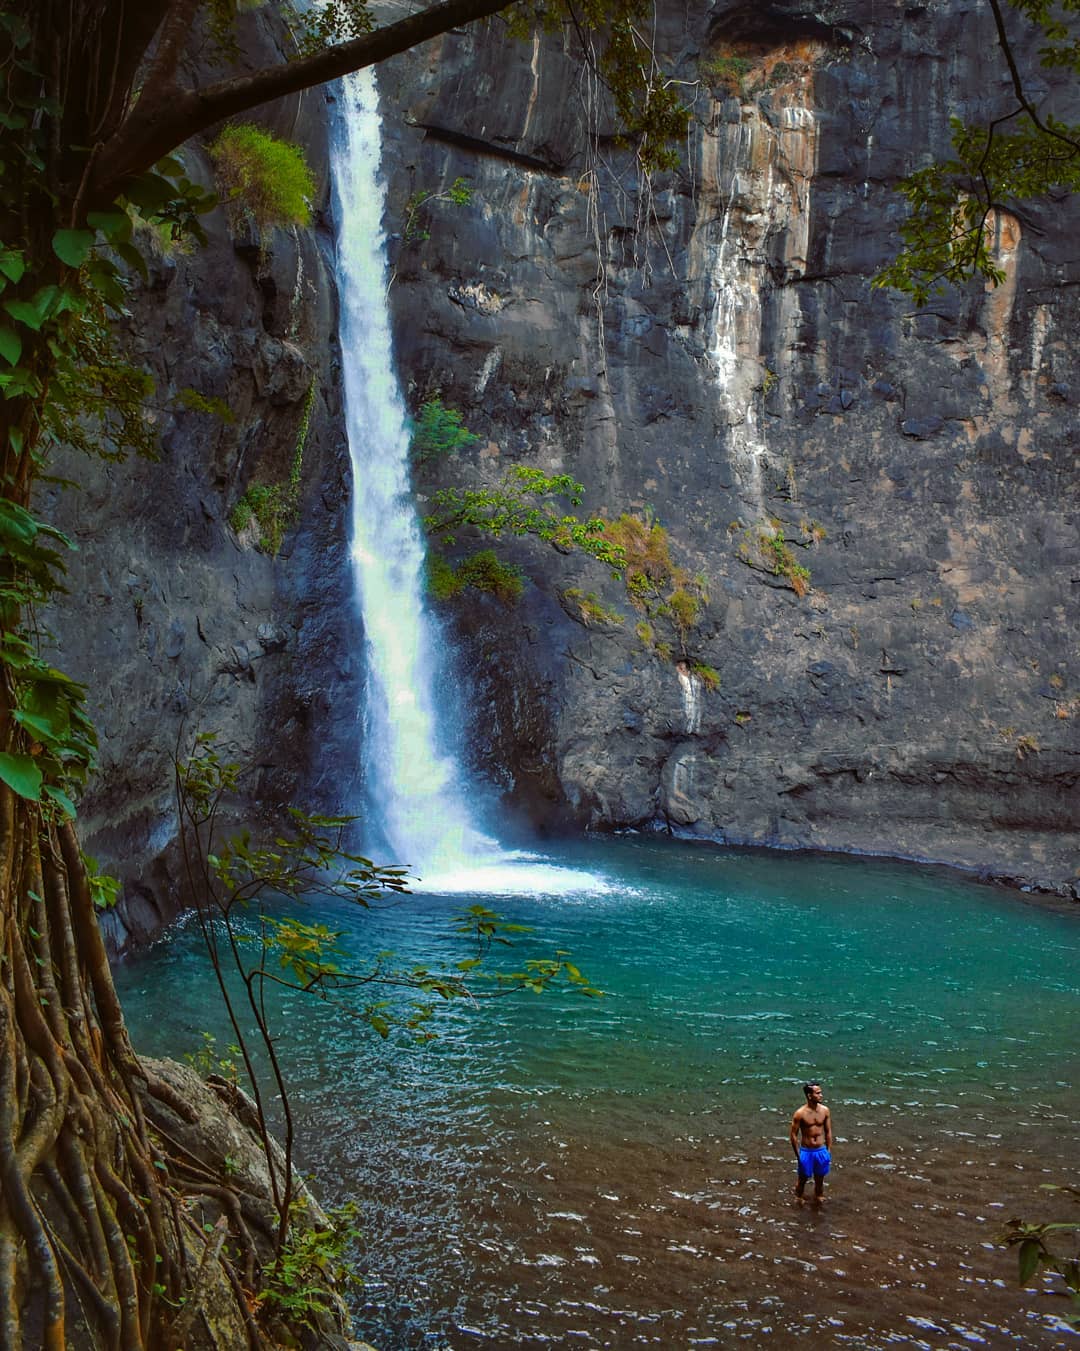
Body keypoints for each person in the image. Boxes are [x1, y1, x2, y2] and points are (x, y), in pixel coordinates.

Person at [790, 1080, 832, 1203]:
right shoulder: (800, 1113)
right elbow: (793, 1135)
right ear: (809, 1095)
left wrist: (828, 1151)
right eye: (818, 1093)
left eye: (821, 1092)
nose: (821, 1095)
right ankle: (798, 1198)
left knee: (820, 1180)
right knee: (802, 1179)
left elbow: (828, 1131)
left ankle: (818, 1198)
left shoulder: (825, 1110)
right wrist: (798, 1156)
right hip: (806, 1151)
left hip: (821, 1150)